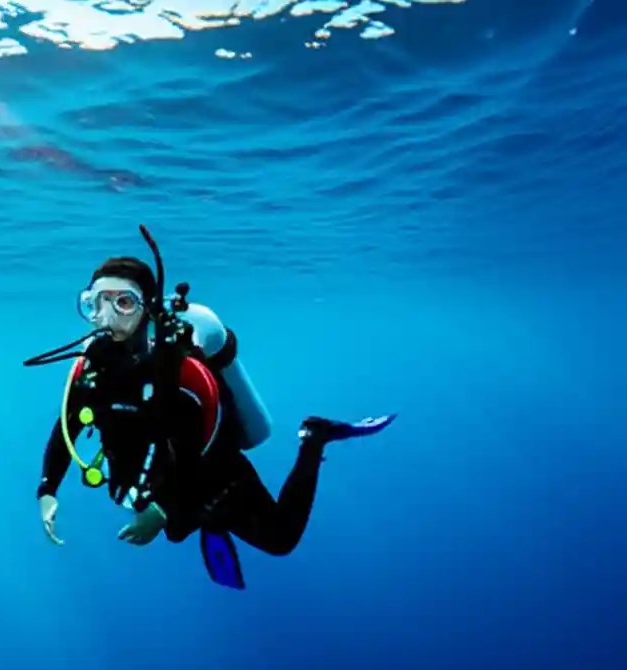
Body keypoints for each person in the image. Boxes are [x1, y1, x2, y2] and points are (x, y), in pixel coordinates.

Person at [22, 225, 395, 589]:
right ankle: (202, 517)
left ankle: (314, 437)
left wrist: (162, 511)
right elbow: (66, 426)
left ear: (147, 309)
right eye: (96, 303)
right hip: (154, 479)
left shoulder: (175, 372)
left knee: (280, 539)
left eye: (122, 302)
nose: (107, 316)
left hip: (217, 476)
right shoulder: (90, 367)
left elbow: (196, 457)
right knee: (177, 527)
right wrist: (47, 488)